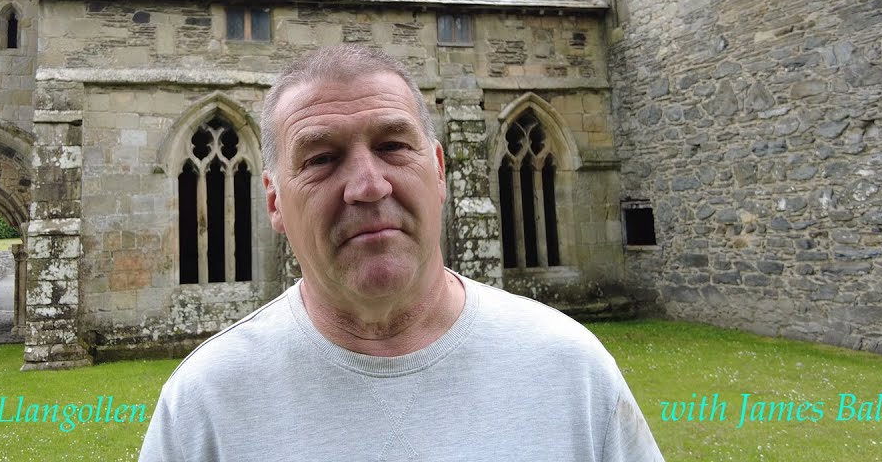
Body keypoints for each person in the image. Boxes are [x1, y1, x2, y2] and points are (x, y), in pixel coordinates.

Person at [139, 46, 663, 461]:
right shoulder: (204, 402)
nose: (368, 186)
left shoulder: (570, 367)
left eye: (393, 146)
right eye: (322, 158)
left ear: (439, 169)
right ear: (274, 200)